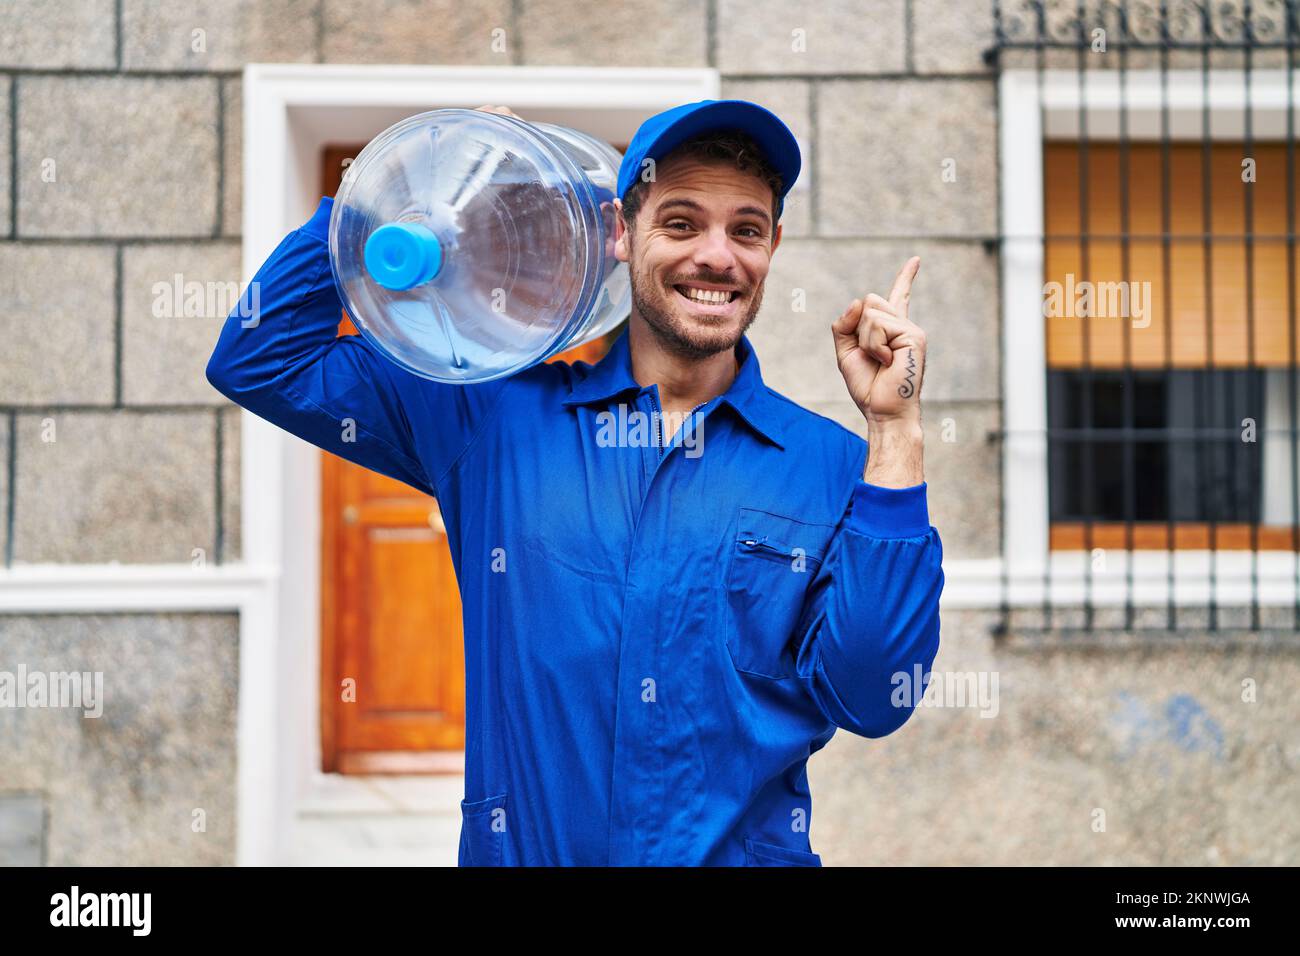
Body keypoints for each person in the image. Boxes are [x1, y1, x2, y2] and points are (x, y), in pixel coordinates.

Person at [206, 98, 943, 866]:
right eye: (682, 223)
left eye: (746, 230)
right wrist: (392, 196)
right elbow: (260, 358)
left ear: (772, 247)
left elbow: (870, 695)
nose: (717, 256)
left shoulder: (825, 464)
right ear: (620, 234)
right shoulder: (493, 414)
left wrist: (895, 433)